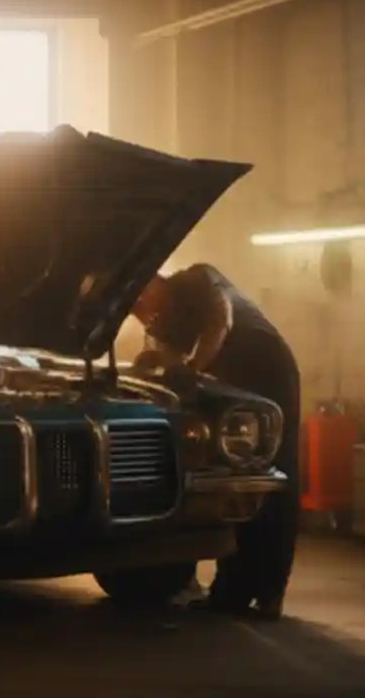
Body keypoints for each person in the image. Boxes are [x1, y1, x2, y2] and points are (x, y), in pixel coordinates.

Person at [130, 264, 300, 620]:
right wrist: (156, 361)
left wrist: (192, 367)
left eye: (140, 297)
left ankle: (271, 592)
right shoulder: (161, 321)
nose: (140, 308)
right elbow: (170, 361)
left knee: (273, 475)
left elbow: (220, 323)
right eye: (133, 308)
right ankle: (231, 592)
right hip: (228, 383)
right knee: (229, 476)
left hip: (268, 369)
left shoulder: (199, 278)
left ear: (156, 279)